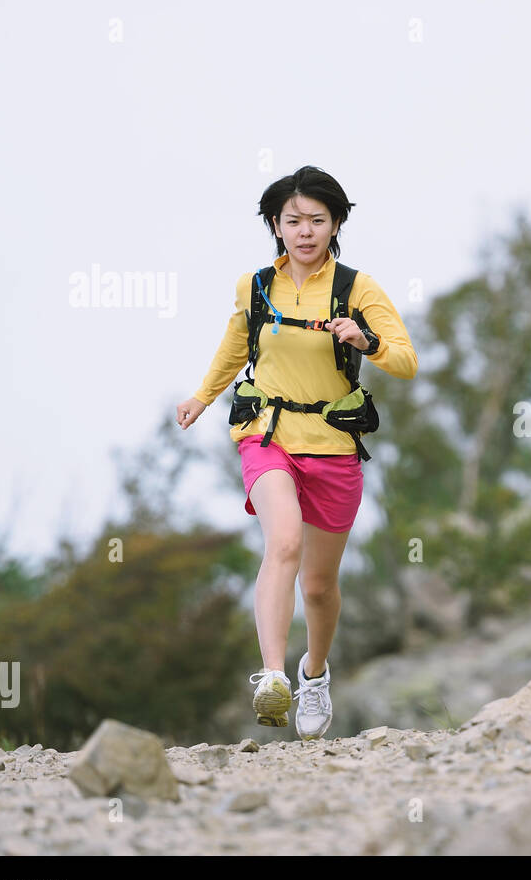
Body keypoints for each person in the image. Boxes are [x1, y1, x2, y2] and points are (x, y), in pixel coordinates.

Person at [176, 165, 417, 740]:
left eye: (317, 220)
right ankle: (271, 676)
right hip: (267, 431)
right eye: (293, 220)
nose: (305, 231)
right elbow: (237, 347)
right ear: (275, 226)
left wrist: (368, 340)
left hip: (334, 444)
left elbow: (406, 360)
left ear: (336, 225)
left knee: (318, 586)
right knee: (281, 541)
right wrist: (203, 396)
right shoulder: (256, 286)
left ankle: (313, 673)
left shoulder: (357, 289)